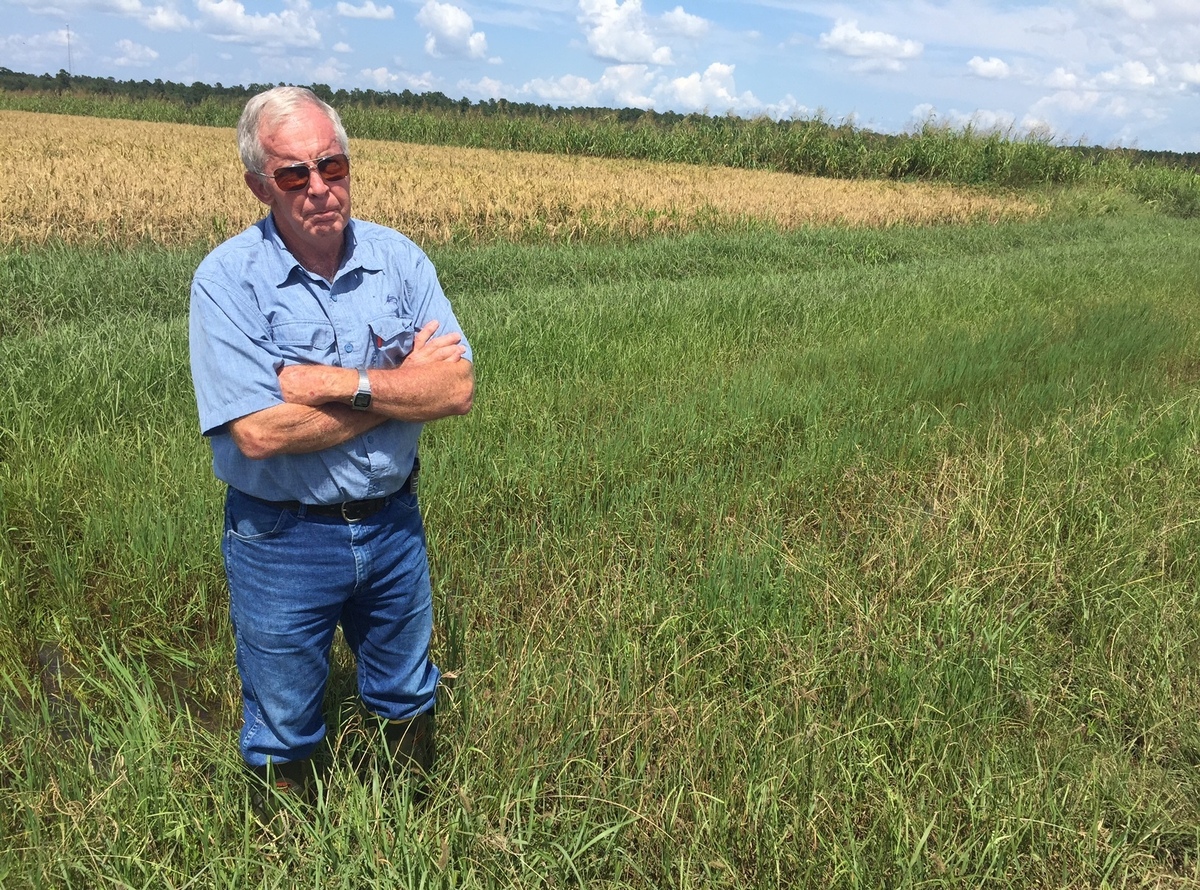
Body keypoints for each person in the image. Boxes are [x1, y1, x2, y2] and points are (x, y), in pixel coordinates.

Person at [188, 86, 474, 812]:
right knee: (283, 724)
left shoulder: (399, 261)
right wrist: (396, 389)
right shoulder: (227, 282)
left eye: (333, 165)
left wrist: (329, 383)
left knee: (407, 691)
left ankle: (412, 825)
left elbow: (457, 389)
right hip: (282, 538)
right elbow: (256, 432)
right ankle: (286, 850)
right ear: (260, 184)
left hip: (392, 523)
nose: (319, 187)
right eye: (294, 174)